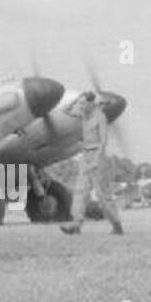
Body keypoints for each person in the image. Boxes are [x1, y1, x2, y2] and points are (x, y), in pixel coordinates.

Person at [61, 92, 124, 235]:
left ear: (92, 103)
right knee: (80, 191)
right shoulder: (84, 115)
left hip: (97, 155)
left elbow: (103, 141)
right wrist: (76, 100)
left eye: (83, 103)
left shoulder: (100, 117)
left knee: (102, 195)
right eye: (80, 103)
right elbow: (65, 111)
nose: (81, 106)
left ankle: (116, 225)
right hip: (85, 155)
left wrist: (96, 161)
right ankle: (76, 225)